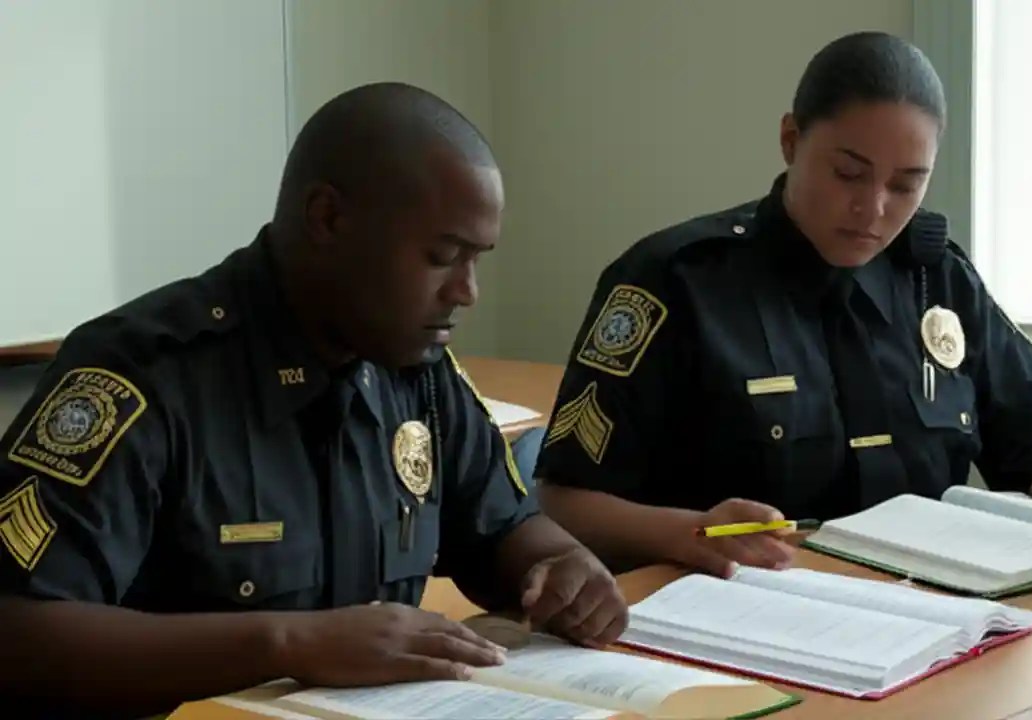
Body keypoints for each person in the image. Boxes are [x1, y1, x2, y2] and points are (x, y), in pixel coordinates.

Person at [0, 82, 627, 719]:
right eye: (442, 256)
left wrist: (560, 565)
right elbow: (19, 632)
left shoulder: (415, 368)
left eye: (476, 259)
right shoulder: (139, 378)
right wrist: (288, 644)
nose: (467, 292)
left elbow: (499, 526)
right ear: (327, 219)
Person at [534, 32, 1032, 579]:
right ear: (792, 141)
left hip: (931, 620)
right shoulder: (674, 282)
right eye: (848, 174)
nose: (874, 210)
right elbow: (562, 502)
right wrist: (685, 534)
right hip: (738, 615)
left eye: (908, 185)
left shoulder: (939, 280)